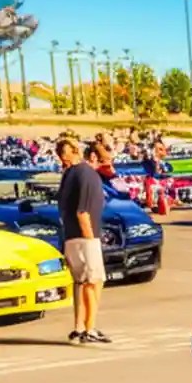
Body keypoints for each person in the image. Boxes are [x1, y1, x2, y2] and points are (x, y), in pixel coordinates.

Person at [54, 138, 111, 345]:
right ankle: (90, 328)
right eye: (105, 160)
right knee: (94, 282)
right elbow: (83, 212)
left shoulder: (68, 175)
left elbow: (62, 208)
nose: (109, 164)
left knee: (80, 282)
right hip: (85, 237)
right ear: (93, 157)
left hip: (70, 236)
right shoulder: (87, 174)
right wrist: (91, 240)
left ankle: (78, 328)